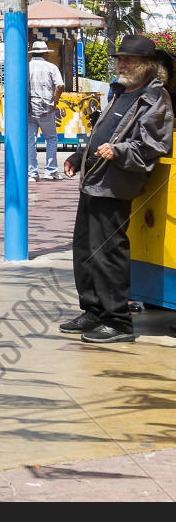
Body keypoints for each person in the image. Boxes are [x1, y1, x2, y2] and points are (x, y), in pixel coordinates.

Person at [61, 36, 175, 344]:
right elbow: (102, 134)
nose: (122, 64)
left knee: (108, 253)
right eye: (120, 59)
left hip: (115, 184)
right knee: (85, 251)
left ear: (149, 67)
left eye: (129, 61)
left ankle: (118, 321)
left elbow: (155, 145)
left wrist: (120, 152)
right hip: (94, 181)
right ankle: (94, 311)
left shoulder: (155, 97)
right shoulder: (121, 92)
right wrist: (77, 156)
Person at [29, 41, 65, 181]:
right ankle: (51, 171)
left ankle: (32, 173)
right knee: (51, 138)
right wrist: (54, 101)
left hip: (29, 109)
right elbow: (60, 85)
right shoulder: (51, 67)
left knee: (30, 141)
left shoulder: (25, 67)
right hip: (46, 108)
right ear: (45, 53)